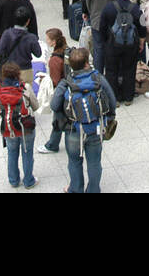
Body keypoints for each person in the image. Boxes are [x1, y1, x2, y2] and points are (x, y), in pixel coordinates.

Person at [49, 47, 116, 193]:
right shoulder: (98, 78)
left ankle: (75, 188)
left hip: (74, 130)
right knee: (94, 162)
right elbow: (112, 100)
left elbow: (54, 105)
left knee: (74, 161)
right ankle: (93, 190)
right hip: (96, 127)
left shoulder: (66, 82)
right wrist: (109, 118)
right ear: (87, 63)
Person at [0, 61, 39, 189]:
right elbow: (36, 106)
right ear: (18, 74)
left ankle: (13, 180)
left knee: (12, 153)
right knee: (27, 153)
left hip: (8, 128)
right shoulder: (25, 87)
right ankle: (28, 181)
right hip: (25, 127)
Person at [99, 0, 145, 105]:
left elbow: (102, 26)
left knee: (111, 70)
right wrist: (141, 41)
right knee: (129, 69)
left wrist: (106, 41)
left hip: (113, 44)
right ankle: (128, 97)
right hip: (130, 44)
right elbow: (143, 26)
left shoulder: (108, 7)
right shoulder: (135, 8)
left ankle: (115, 97)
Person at [0, 11, 42, 85]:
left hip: (9, 70)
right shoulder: (31, 37)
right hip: (25, 70)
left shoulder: (7, 33)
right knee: (26, 93)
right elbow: (38, 53)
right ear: (28, 21)